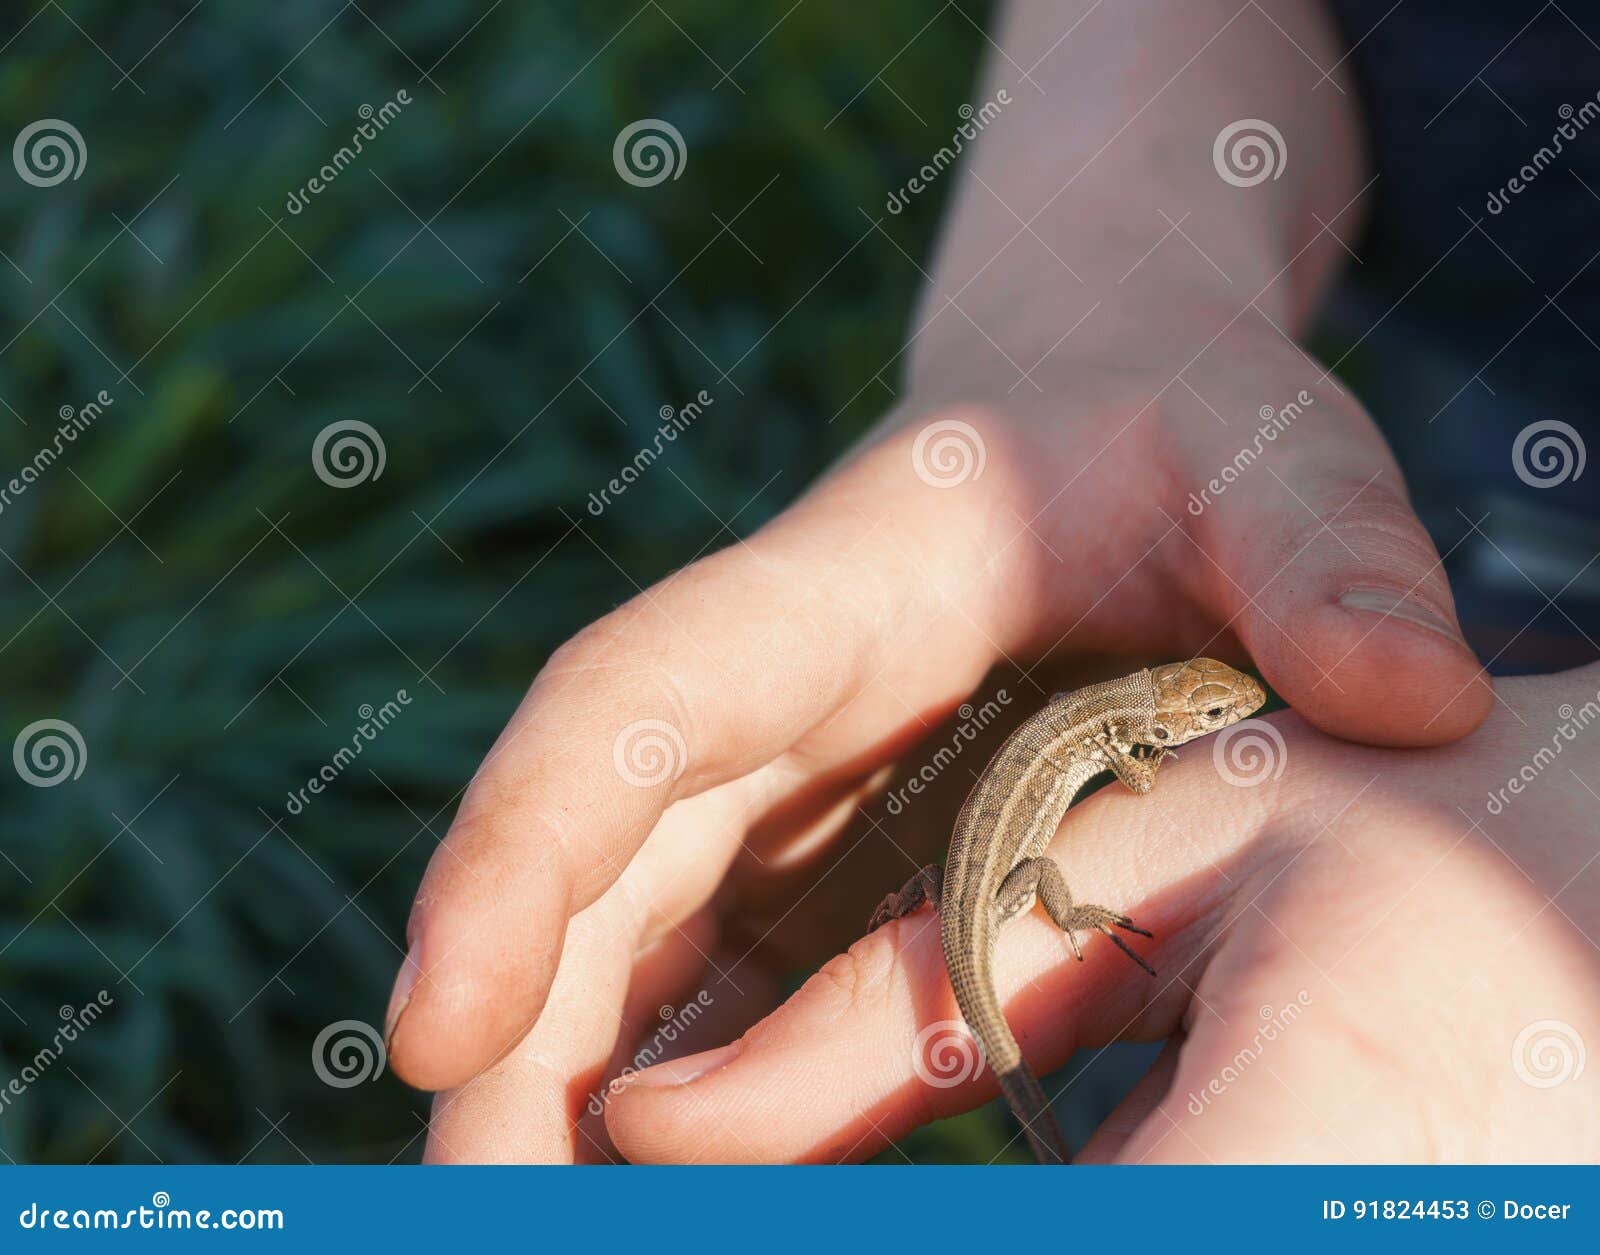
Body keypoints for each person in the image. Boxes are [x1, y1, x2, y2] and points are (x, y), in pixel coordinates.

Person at [388, 0, 1600, 1161]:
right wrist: (1093, 318)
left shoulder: (1132, 724)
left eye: (1221, 713)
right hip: (1506, 394)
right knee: (1167, 975)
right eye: (1213, 711)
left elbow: (1122, 765)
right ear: (1174, 711)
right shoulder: (1134, 729)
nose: (1225, 714)